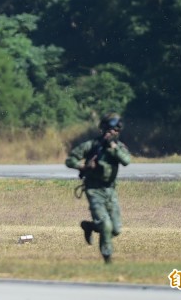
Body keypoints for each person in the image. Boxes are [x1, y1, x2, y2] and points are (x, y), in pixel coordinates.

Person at [65, 112, 131, 264]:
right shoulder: (93, 145)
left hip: (110, 191)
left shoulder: (118, 148)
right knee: (106, 225)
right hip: (94, 190)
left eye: (115, 130)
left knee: (115, 229)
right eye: (108, 129)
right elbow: (70, 159)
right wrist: (82, 166)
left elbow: (126, 160)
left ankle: (89, 226)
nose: (111, 132)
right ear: (103, 130)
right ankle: (108, 259)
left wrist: (113, 148)